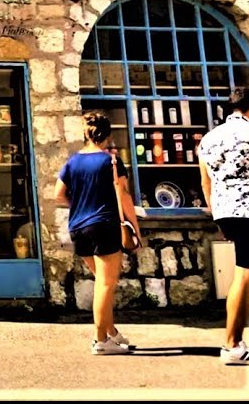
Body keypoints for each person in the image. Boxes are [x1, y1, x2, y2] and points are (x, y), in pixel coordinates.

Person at [55, 110, 141, 355]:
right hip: (104, 225)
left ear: (85, 133)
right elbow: (123, 196)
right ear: (108, 134)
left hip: (78, 227)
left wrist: (79, 203)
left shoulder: (72, 162)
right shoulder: (111, 161)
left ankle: (111, 333)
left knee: (103, 283)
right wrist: (136, 229)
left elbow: (58, 195)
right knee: (106, 284)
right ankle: (100, 340)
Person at [199, 86, 249, 365]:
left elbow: (205, 182)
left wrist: (217, 213)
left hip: (226, 212)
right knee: (245, 276)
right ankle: (232, 345)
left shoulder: (209, 139)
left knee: (246, 273)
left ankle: (235, 342)